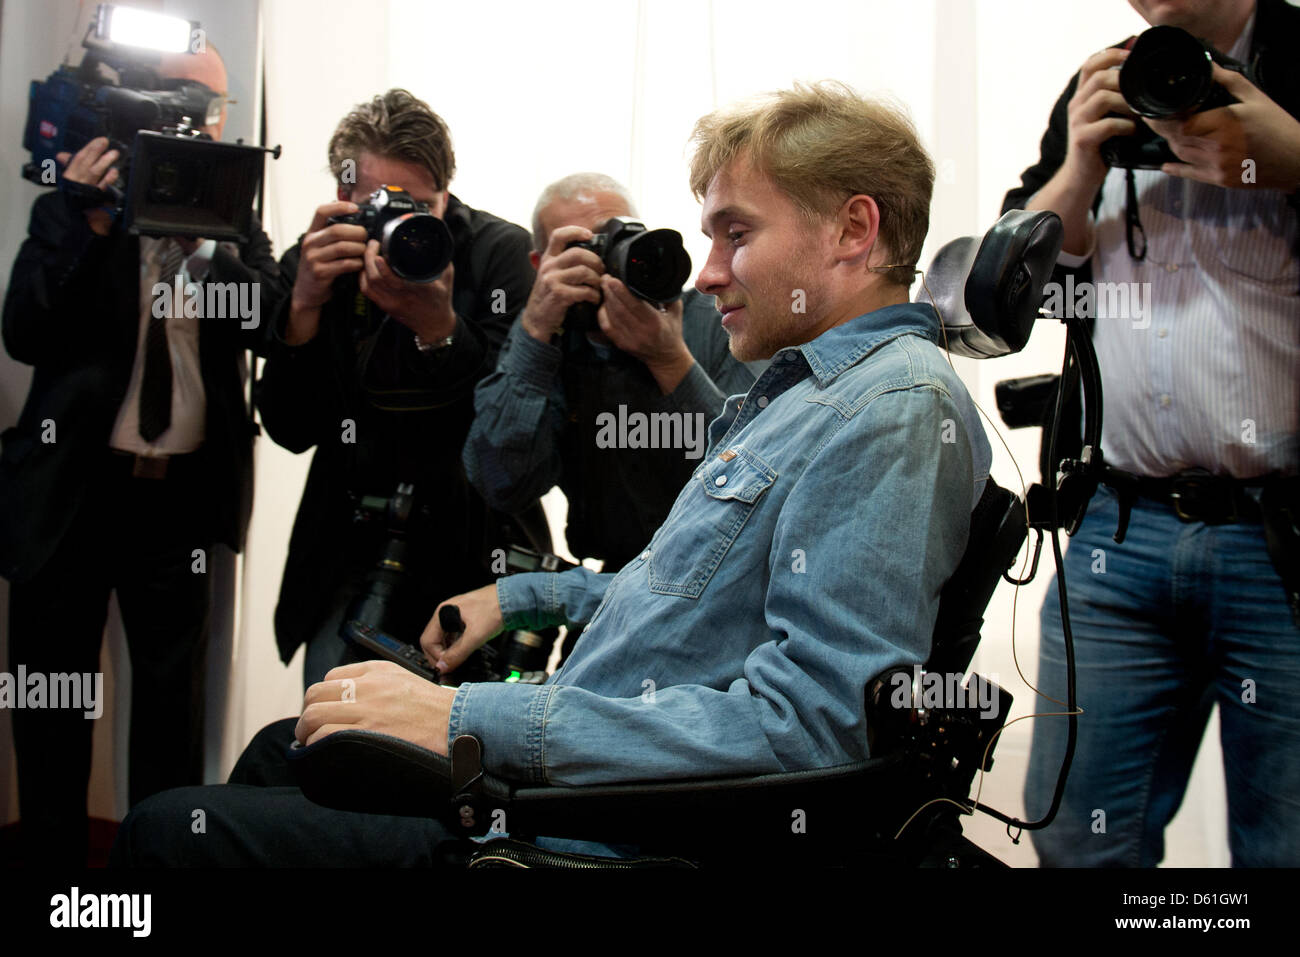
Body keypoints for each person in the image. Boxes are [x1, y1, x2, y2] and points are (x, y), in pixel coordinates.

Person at [112, 81, 992, 866]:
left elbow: (809, 731)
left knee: (164, 828)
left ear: (853, 229)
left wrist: (464, 720)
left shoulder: (891, 410)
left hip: (581, 828)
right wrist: (528, 597)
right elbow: (684, 592)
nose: (710, 269)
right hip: (571, 763)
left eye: (736, 233)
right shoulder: (803, 394)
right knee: (285, 745)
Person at [1005, 0, 1300, 866]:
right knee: (1077, 841)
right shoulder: (1106, 78)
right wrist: (1077, 168)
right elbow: (1019, 288)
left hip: (1285, 544)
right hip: (1116, 536)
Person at [0, 45, 283, 866]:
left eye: (207, 107)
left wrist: (202, 240)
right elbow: (26, 329)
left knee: (172, 710)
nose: (188, 121)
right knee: (53, 706)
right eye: (167, 102)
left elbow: (267, 322)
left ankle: (156, 878)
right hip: (73, 496)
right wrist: (83, 219)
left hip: (179, 504)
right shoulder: (75, 206)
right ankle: (59, 888)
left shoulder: (234, 211)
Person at [255, 89, 547, 689]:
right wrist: (303, 305)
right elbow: (288, 429)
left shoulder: (498, 255)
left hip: (474, 540)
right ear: (343, 198)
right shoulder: (315, 262)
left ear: (448, 192)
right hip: (348, 544)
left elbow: (510, 424)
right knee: (334, 735)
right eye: (379, 205)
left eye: (420, 205)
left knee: (468, 751)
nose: (401, 224)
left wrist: (438, 328)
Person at [463, 172, 758, 580]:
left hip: (724, 576)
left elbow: (754, 473)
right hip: (607, 582)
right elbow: (502, 482)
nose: (612, 261)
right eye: (587, 247)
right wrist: (535, 329)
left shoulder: (713, 323)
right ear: (541, 263)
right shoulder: (550, 347)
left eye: (624, 239)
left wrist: (670, 360)